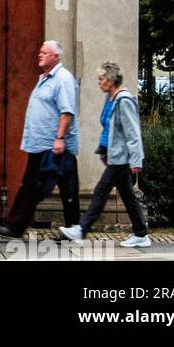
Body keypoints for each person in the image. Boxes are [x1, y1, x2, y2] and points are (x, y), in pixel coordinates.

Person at [0, 40, 81, 239]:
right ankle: (75, 229)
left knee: (36, 186)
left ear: (55, 57)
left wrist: (59, 138)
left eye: (44, 52)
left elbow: (67, 112)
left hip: (53, 146)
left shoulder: (62, 79)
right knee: (64, 187)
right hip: (42, 145)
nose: (39, 55)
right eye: (40, 51)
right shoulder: (46, 78)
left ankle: (16, 227)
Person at [60, 61, 150, 248]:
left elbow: (133, 133)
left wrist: (136, 160)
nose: (99, 82)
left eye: (101, 79)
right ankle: (141, 233)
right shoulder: (110, 99)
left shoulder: (124, 100)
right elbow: (108, 128)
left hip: (122, 158)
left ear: (111, 80)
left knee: (101, 191)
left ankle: (81, 230)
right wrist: (103, 151)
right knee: (127, 195)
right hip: (115, 155)